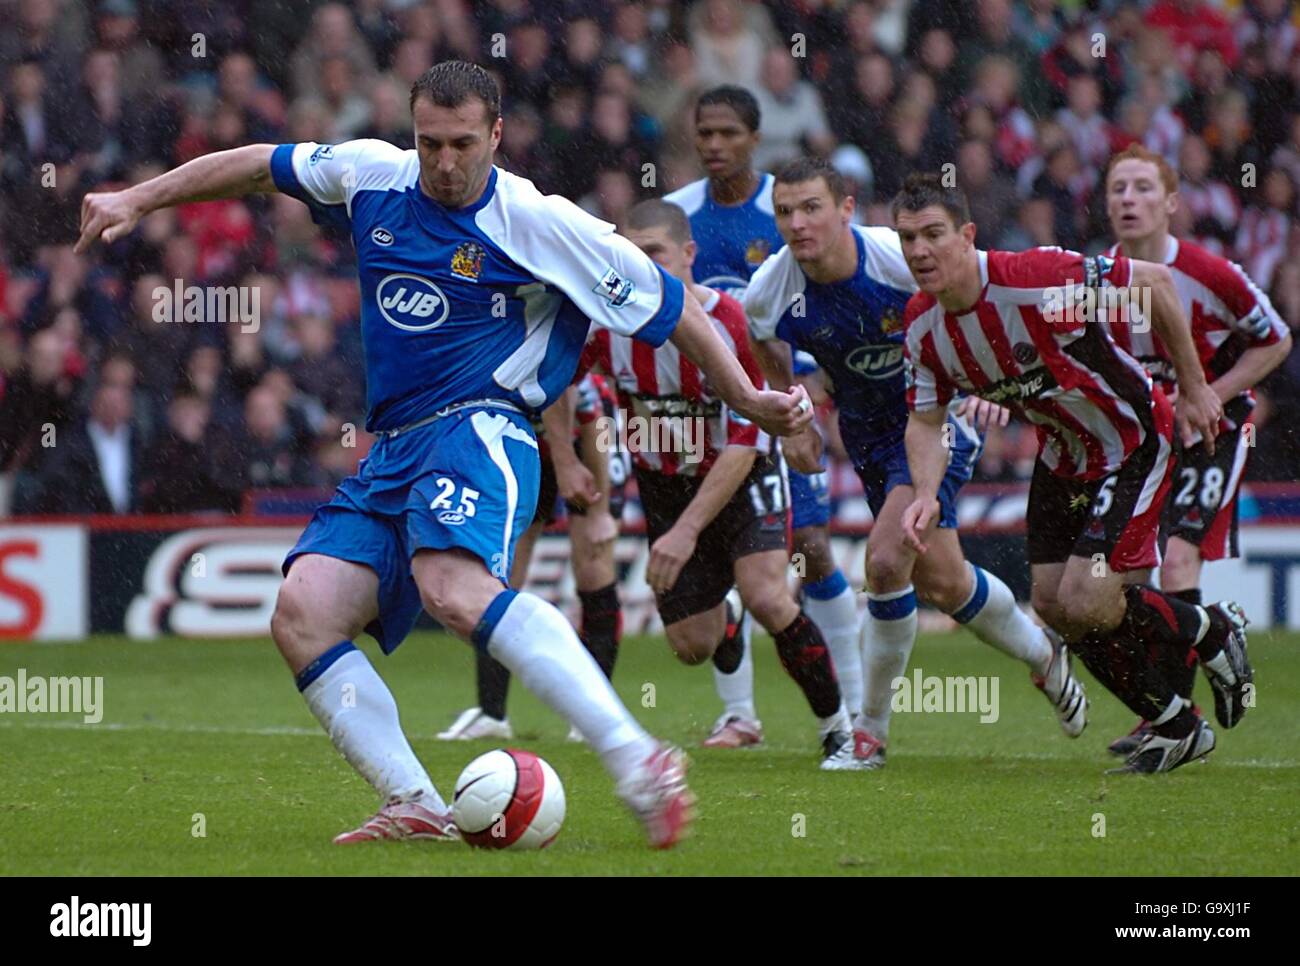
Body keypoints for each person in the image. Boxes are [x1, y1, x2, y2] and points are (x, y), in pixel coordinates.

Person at [76, 61, 813, 848]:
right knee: (304, 613)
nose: (447, 163)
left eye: (465, 144)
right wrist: (138, 195)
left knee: (453, 589)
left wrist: (740, 395)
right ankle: (417, 802)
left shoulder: (539, 221)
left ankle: (638, 757)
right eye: (431, 143)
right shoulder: (372, 177)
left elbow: (670, 306)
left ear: (496, 135)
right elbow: (261, 163)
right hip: (392, 448)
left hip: (483, 424)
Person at [893, 172, 1252, 774]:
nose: (920, 251)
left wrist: (1193, 386)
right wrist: (926, 494)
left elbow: (1157, 284)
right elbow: (926, 422)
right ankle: (1176, 725)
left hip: (1131, 442)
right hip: (1062, 456)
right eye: (907, 239)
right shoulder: (923, 325)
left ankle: (1211, 630)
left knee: (1086, 600)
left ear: (967, 236)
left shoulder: (1039, 281)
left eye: (933, 234)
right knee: (1056, 607)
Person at [746, 157, 1088, 769]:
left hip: (936, 420)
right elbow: (763, 342)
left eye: (811, 208)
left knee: (883, 562)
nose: (797, 224)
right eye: (784, 212)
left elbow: (971, 305)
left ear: (847, 209)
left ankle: (868, 734)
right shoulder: (769, 291)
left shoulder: (897, 261)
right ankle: (1045, 656)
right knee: (945, 582)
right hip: (870, 437)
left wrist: (987, 382)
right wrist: (793, 411)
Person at [585, 199, 860, 769]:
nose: (643, 269)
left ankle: (839, 729)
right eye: (631, 257)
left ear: (687, 256)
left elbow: (745, 436)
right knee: (692, 647)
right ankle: (724, 614)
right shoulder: (604, 325)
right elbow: (561, 381)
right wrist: (568, 462)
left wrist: (686, 532)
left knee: (767, 595)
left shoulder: (727, 320)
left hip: (742, 473)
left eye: (655, 255)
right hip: (663, 483)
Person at [664, 85, 860, 751]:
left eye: (727, 134)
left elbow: (812, 316)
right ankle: (739, 715)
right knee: (736, 572)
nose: (714, 145)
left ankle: (854, 705)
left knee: (808, 545)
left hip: (782, 401)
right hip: (709, 418)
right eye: (705, 133)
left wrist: (809, 411)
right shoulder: (678, 215)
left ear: (754, 138)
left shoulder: (788, 207)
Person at [1102, 144, 1290, 754]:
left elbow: (1276, 340)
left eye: (1142, 189)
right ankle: (1181, 695)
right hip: (1145, 441)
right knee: (1124, 575)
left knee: (1179, 562)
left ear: (1172, 204)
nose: (1129, 200)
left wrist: (1209, 393)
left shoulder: (1211, 274)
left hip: (1213, 434)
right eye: (1118, 190)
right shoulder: (1097, 278)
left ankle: (1172, 721)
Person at [436, 374, 629, 743]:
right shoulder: (489, 356)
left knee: (592, 564)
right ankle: (492, 713)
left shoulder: (565, 373)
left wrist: (600, 510)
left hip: (590, 443)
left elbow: (591, 416)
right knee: (500, 575)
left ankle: (595, 716)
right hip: (528, 447)